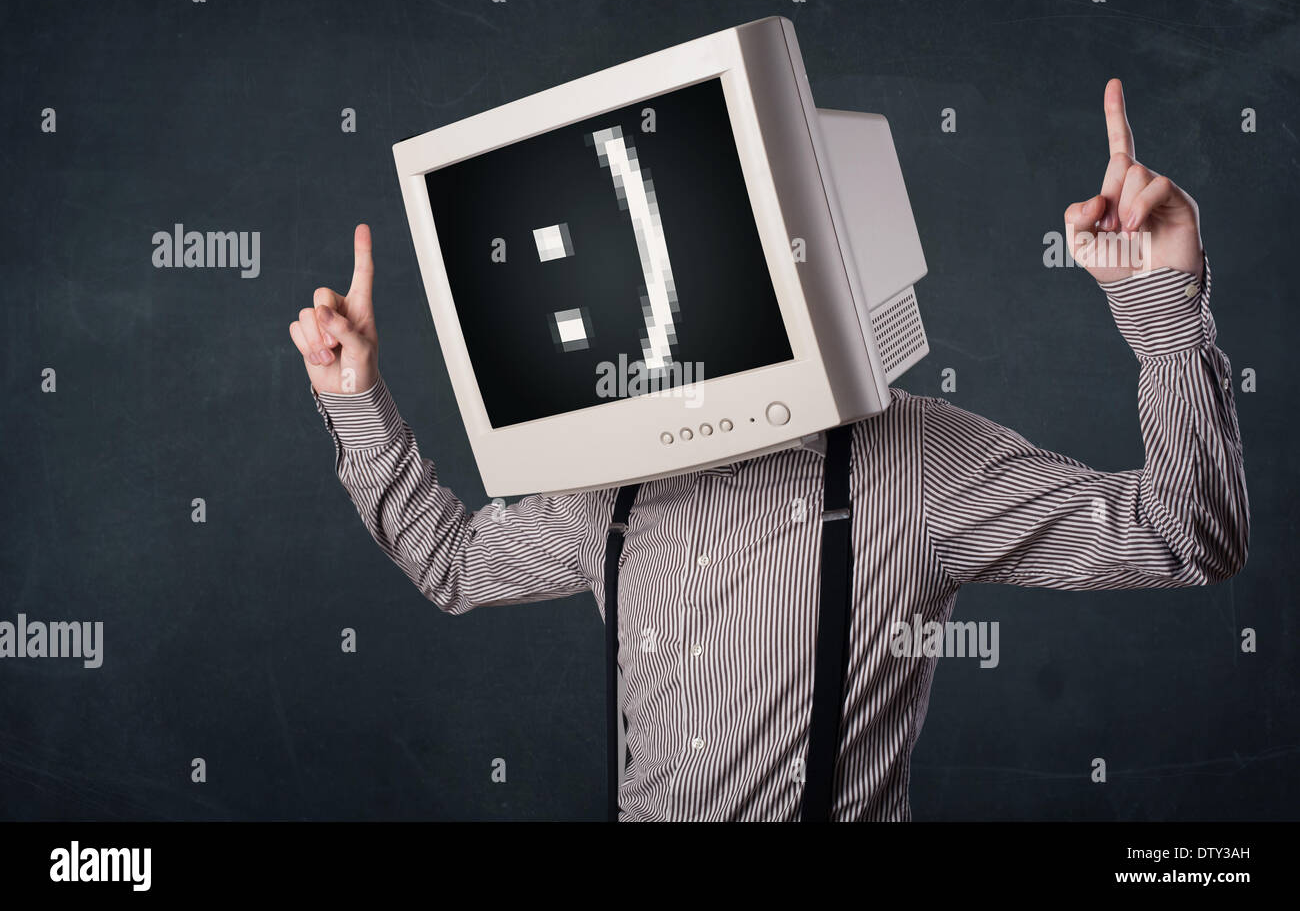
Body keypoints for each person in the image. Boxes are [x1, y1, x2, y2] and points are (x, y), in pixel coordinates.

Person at [287, 79, 1248, 820]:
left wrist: (1162, 311)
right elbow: (453, 565)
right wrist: (357, 396)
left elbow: (1184, 535)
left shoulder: (913, 465)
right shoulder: (612, 495)